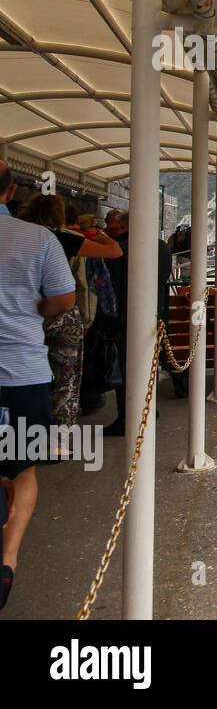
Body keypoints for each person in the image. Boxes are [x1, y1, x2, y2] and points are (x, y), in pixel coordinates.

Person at [0, 161, 76, 609]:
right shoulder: (39, 239)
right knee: (21, 470)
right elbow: (64, 299)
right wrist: (32, 312)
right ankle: (7, 560)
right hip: (22, 374)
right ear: (10, 194)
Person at [16, 193, 121, 429]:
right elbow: (115, 250)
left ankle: (26, 433)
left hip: (26, 314)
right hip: (62, 316)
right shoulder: (64, 238)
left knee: (26, 379)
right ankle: (59, 441)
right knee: (67, 381)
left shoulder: (19, 236)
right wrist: (94, 233)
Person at [102, 211, 172, 434]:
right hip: (155, 315)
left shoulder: (120, 248)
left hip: (125, 318)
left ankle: (127, 417)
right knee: (147, 365)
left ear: (123, 225)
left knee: (127, 370)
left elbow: (112, 289)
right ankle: (149, 408)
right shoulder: (161, 247)